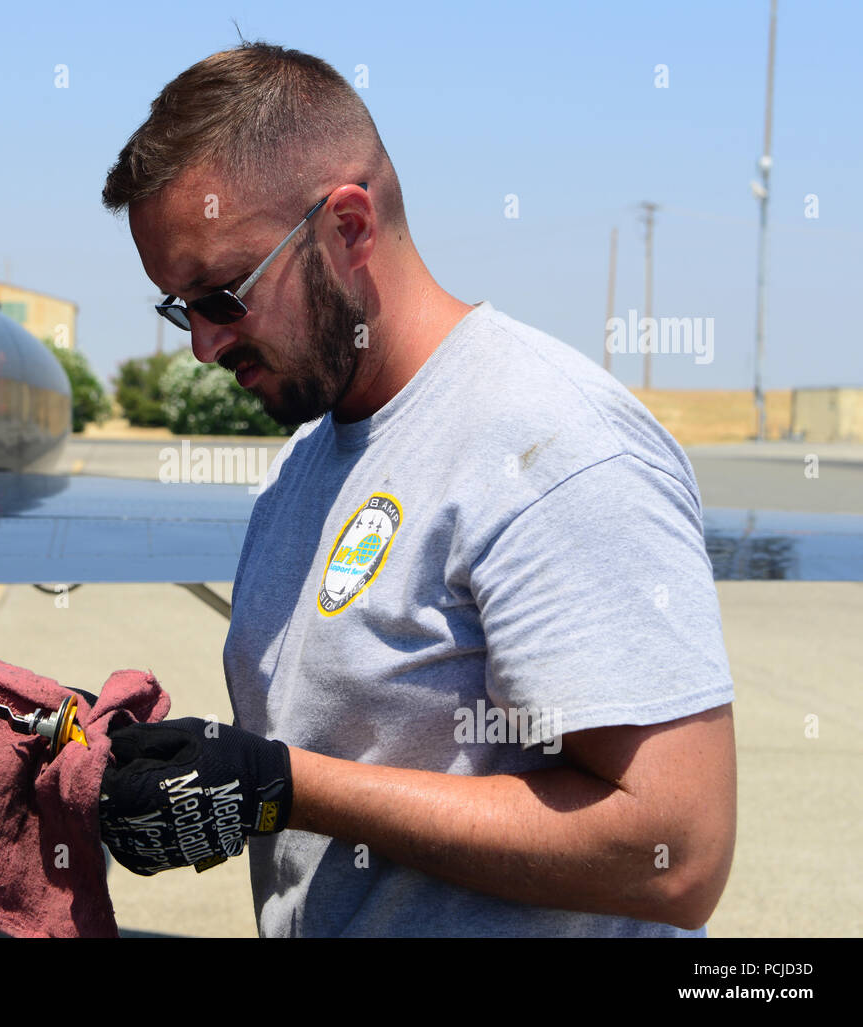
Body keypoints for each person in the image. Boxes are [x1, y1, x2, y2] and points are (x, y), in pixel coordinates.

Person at [95, 42, 737, 938]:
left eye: (222, 295)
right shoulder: (304, 467)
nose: (202, 347)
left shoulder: (551, 443)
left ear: (349, 226)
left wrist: (281, 786)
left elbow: (678, 852)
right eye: (179, 308)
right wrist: (171, 766)